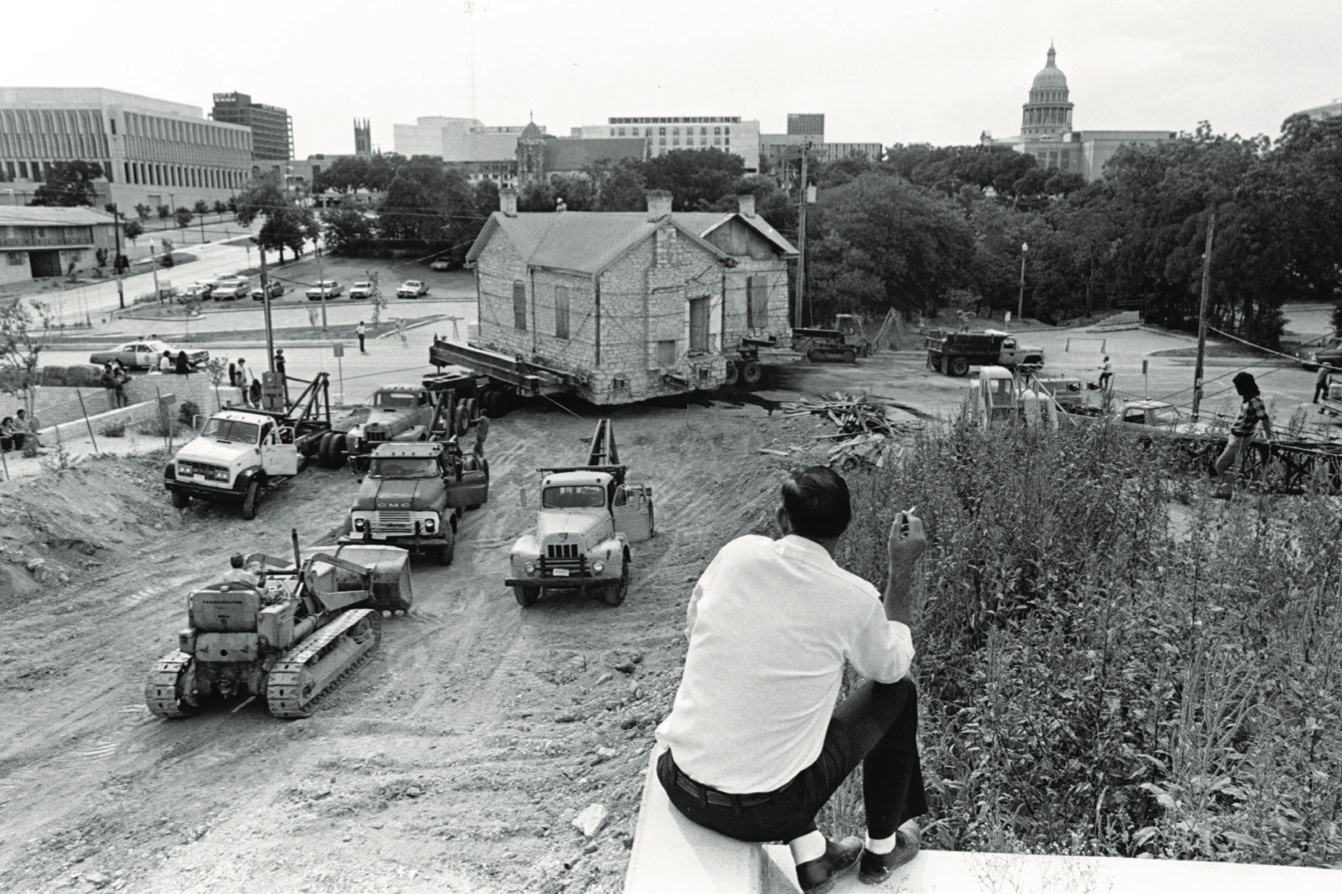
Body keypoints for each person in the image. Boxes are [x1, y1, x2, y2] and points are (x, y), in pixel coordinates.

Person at [655, 467, 928, 892]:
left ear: (782, 519)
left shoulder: (737, 554)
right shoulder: (852, 597)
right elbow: (892, 669)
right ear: (846, 524)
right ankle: (882, 850)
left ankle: (814, 857)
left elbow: (696, 629)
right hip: (764, 813)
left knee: (760, 722)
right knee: (899, 694)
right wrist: (901, 567)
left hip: (678, 781)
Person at [1212, 371, 1274, 499]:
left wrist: (1268, 438)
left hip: (1240, 439)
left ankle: (1232, 489)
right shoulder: (1247, 400)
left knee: (1220, 465)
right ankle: (1227, 489)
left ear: (1245, 386)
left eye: (1238, 387)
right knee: (1227, 465)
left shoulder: (1255, 401)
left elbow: (1265, 419)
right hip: (1235, 437)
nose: (1237, 390)